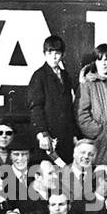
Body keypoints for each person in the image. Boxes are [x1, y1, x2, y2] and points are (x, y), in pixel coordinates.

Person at [28, 35, 78, 165]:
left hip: (65, 135)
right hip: (48, 135)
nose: (54, 57)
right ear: (45, 54)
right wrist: (42, 133)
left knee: (66, 174)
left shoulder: (66, 76)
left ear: (63, 55)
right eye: (50, 53)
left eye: (57, 53)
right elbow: (36, 108)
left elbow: (69, 108)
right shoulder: (39, 76)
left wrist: (73, 134)